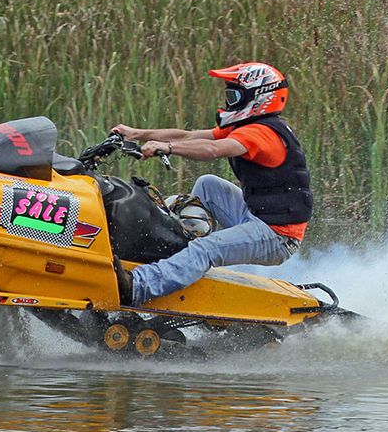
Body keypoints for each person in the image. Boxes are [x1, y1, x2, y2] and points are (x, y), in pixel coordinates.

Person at [111, 62, 313, 306]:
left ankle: (138, 287)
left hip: (277, 235)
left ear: (260, 98)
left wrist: (167, 148)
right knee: (207, 185)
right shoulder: (247, 127)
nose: (228, 102)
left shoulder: (261, 134)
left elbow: (212, 149)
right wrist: (137, 134)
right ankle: (179, 256)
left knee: (206, 248)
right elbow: (188, 136)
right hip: (257, 216)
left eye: (234, 95)